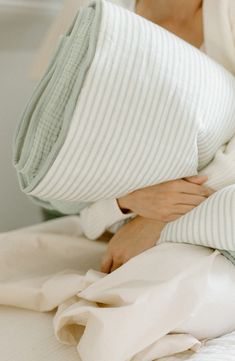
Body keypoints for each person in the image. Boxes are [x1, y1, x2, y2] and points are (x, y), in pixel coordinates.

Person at [34, 0, 235, 273]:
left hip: (220, 193)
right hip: (123, 211)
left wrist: (156, 220)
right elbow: (66, 156)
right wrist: (125, 203)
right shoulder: (90, 14)